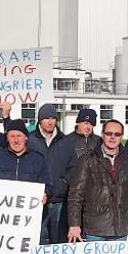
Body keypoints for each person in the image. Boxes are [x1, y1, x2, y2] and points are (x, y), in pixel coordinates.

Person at [67, 119, 128, 243]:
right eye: (109, 133)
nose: (113, 137)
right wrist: (74, 225)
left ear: (121, 137)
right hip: (94, 229)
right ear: (102, 134)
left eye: (117, 134)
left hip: (120, 229)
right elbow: (76, 194)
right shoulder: (87, 159)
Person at [27, 104, 75, 244]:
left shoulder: (66, 141)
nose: (50, 121)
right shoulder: (30, 140)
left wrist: (63, 183)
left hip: (59, 200)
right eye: (46, 118)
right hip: (36, 200)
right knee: (38, 239)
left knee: (58, 241)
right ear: (39, 120)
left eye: (53, 118)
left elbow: (73, 167)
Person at [0, 119, 52, 197]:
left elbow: (48, 185)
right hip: (2, 206)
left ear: (26, 137)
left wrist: (45, 193)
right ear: (7, 139)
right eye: (12, 136)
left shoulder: (38, 159)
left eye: (19, 136)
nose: (16, 140)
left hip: (27, 207)